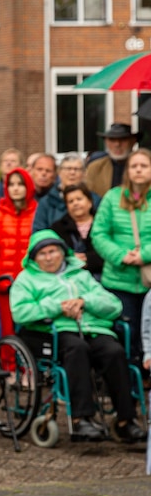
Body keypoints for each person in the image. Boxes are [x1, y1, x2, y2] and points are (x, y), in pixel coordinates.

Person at [10, 231, 147, 443]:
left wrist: (84, 301)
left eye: (53, 251)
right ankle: (81, 418)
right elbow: (20, 312)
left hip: (94, 327)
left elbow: (114, 305)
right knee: (77, 349)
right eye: (42, 253)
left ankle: (125, 421)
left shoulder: (81, 275)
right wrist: (58, 306)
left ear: (63, 253)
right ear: (33, 258)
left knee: (114, 351)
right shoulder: (26, 279)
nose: (48, 257)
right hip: (54, 331)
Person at [90, 147, 151, 367]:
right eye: (134, 166)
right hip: (118, 280)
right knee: (126, 335)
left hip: (148, 280)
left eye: (144, 166)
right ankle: (129, 388)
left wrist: (144, 255)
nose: (138, 170)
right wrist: (121, 256)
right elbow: (99, 233)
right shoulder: (112, 197)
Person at [0, 168, 38, 350]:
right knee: (7, 330)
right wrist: (1, 274)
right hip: (6, 284)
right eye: (11, 184)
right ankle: (10, 370)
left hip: (32, 284)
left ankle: (29, 370)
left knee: (31, 328)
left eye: (20, 184)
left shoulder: (36, 214)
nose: (16, 188)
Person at [49, 183, 104, 280]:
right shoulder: (58, 227)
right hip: (68, 277)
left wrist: (88, 259)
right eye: (70, 201)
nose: (75, 203)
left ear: (90, 202)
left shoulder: (103, 224)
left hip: (101, 276)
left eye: (79, 199)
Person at [33, 155, 93, 232]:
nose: (72, 173)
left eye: (77, 169)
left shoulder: (95, 200)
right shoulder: (46, 202)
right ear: (59, 172)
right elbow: (38, 231)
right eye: (68, 169)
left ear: (84, 173)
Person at [86, 123, 141, 195]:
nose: (117, 144)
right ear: (106, 142)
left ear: (133, 141)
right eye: (112, 140)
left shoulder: (144, 166)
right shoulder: (95, 168)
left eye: (123, 140)